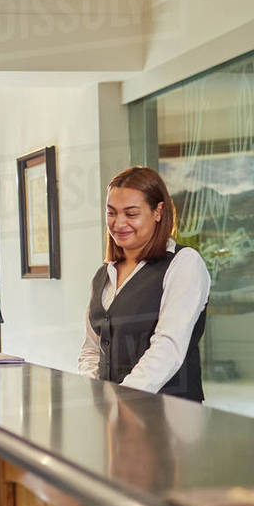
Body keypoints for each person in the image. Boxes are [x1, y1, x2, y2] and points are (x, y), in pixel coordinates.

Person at [78, 165, 211, 401]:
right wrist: (95, 395)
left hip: (169, 414)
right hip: (114, 411)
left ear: (158, 211)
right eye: (111, 213)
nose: (118, 224)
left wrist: (122, 398)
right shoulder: (103, 275)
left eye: (131, 214)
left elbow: (168, 346)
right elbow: (91, 349)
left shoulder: (184, 263)